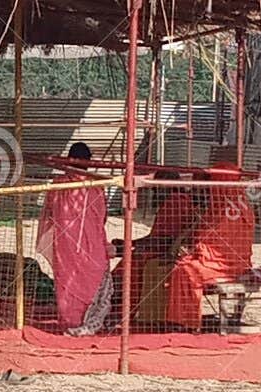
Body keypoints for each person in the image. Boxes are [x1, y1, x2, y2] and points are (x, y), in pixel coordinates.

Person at [163, 165, 255, 331]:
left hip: (228, 265)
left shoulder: (234, 209)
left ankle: (187, 322)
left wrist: (196, 249)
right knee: (183, 268)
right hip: (217, 262)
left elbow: (216, 243)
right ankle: (183, 320)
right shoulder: (220, 207)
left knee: (186, 271)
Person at [34, 143, 113, 335]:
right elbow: (103, 216)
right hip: (88, 242)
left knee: (67, 280)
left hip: (67, 243)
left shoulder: (61, 184)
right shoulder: (96, 185)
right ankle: (84, 324)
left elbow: (50, 212)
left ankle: (72, 322)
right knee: (81, 278)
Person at [129, 169, 200, 328]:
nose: (154, 190)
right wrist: (131, 243)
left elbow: (164, 239)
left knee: (132, 263)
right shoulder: (176, 201)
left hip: (164, 251)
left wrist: (132, 245)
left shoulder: (175, 202)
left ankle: (128, 311)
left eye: (156, 186)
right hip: (160, 248)